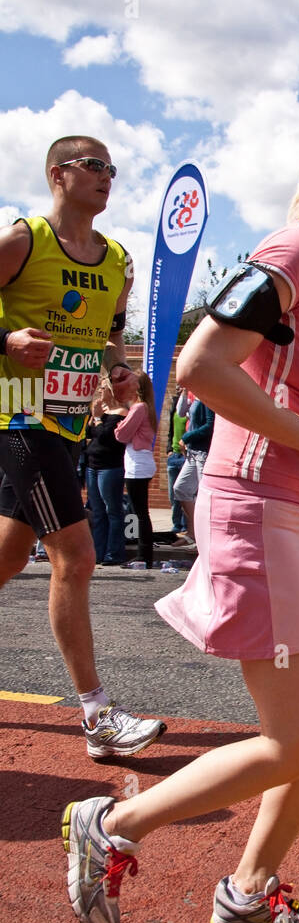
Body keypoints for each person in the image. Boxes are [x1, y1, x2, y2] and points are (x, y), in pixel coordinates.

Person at [61, 96, 299, 923]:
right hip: (256, 511)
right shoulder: (292, 253)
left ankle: (249, 892)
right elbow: (200, 367)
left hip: (293, 515)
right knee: (297, 740)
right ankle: (112, 823)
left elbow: (277, 385)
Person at [0, 136, 165, 758]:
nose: (106, 176)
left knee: (7, 557)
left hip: (68, 425)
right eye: (92, 165)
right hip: (17, 415)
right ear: (57, 174)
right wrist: (6, 342)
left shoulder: (117, 259)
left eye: (111, 168)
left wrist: (117, 368)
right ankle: (97, 715)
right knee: (77, 554)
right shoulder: (23, 241)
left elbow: (110, 335)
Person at [84, 375, 128, 566]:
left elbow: (105, 437)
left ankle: (114, 553)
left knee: (113, 510)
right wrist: (94, 418)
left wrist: (96, 419)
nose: (100, 391)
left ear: (112, 390)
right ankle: (98, 552)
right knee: (97, 511)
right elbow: (88, 433)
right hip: (93, 465)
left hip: (110, 467)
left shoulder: (121, 412)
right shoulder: (102, 411)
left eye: (103, 388)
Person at [115, 370, 157, 568]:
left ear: (137, 386)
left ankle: (144, 555)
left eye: (130, 382)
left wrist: (119, 425)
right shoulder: (146, 407)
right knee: (140, 511)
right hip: (140, 462)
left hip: (137, 464)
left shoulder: (139, 408)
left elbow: (121, 435)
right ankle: (144, 554)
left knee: (140, 512)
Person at [172, 390, 214, 539]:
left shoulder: (207, 395)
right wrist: (184, 392)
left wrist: (186, 437)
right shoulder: (195, 394)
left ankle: (205, 536)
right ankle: (193, 532)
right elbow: (180, 412)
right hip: (192, 452)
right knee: (181, 488)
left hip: (202, 452)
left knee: (204, 496)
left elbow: (210, 425)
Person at [165, 385, 192, 543]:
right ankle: (176, 525)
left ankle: (185, 526)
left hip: (186, 455)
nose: (178, 387)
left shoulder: (191, 404)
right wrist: (169, 449)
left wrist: (187, 442)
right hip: (174, 454)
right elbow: (171, 429)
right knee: (173, 494)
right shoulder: (176, 403)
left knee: (185, 492)